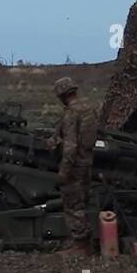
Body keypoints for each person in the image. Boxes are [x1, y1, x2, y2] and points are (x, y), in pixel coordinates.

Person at [49, 77, 99, 255]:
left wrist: (63, 172)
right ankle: (84, 242)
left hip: (75, 165)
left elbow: (70, 146)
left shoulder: (71, 113)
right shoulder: (89, 109)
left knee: (73, 205)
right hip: (87, 162)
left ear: (62, 95)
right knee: (82, 202)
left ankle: (81, 246)